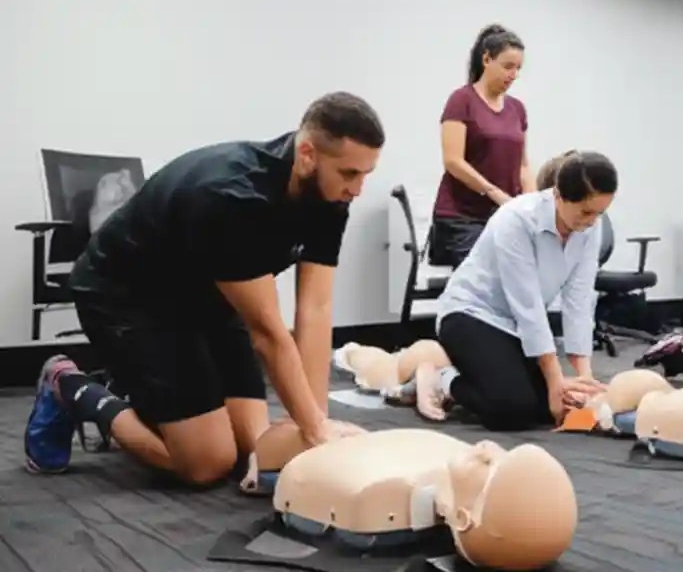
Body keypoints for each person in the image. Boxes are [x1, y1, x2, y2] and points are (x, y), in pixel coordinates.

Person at [23, 92, 382, 485]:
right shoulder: (233, 197)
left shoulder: (329, 195)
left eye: (366, 174)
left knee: (255, 449)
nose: (358, 189)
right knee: (208, 463)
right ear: (308, 154)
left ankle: (144, 390)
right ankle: (70, 385)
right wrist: (313, 430)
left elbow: (315, 308)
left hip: (206, 292)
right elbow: (267, 334)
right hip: (128, 295)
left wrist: (316, 425)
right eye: (350, 174)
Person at [415, 151, 616, 431]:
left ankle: (491, 380)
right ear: (558, 195)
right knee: (510, 409)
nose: (592, 222)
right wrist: (554, 378)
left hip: (515, 328)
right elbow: (528, 304)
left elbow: (579, 302)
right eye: (585, 212)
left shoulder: (589, 228)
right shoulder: (517, 218)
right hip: (471, 315)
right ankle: (442, 379)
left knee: (557, 404)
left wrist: (586, 380)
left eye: (600, 213)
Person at [428, 24, 536, 267]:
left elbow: (523, 165)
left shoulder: (517, 109)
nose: (514, 74)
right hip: (462, 220)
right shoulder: (461, 100)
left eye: (518, 68)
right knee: (489, 276)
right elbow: (453, 161)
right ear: (486, 59)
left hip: (503, 218)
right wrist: (495, 193)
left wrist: (532, 205)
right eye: (508, 66)